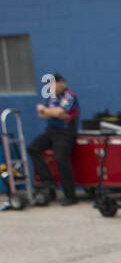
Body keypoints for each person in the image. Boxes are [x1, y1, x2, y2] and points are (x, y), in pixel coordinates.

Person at [28, 72, 79, 205]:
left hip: (65, 132)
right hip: (51, 131)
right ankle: (48, 180)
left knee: (61, 159)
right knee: (33, 148)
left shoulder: (69, 96)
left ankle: (70, 195)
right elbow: (42, 115)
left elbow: (60, 112)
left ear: (59, 84)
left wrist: (46, 110)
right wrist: (49, 112)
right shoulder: (51, 97)